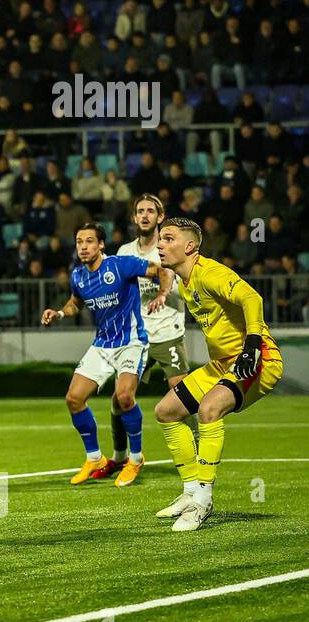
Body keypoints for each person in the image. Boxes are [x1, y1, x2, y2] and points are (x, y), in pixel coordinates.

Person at [152, 218, 283, 532]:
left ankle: (204, 501)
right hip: (223, 363)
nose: (160, 244)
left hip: (257, 358)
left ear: (190, 246)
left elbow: (252, 298)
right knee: (167, 411)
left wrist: (252, 341)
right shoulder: (185, 284)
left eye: (168, 238)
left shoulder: (211, 273)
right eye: (159, 239)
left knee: (209, 410)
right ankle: (190, 491)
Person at [40, 223, 172, 486]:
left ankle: (135, 459)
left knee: (124, 397)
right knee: (73, 398)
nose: (84, 246)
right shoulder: (78, 275)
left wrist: (162, 293)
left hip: (131, 341)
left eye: (89, 241)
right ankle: (95, 457)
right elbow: (76, 302)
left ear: (101, 244)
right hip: (102, 344)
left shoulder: (120, 265)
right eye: (79, 242)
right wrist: (60, 313)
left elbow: (162, 270)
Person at [108, 193, 193, 484]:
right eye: (139, 211)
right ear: (134, 218)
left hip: (168, 334)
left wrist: (165, 290)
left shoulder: (170, 248)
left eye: (150, 211)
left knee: (181, 394)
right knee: (121, 398)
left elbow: (184, 283)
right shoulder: (123, 251)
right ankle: (120, 457)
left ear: (160, 216)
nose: (144, 215)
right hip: (137, 337)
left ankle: (197, 451)